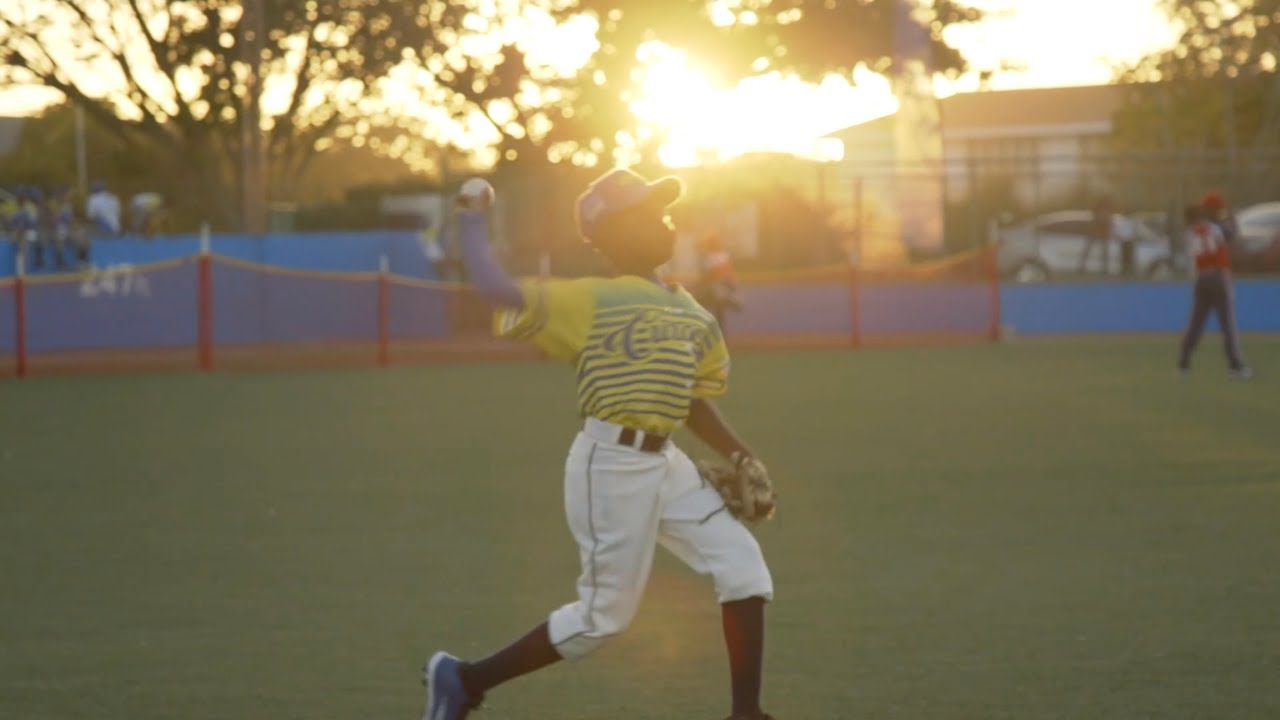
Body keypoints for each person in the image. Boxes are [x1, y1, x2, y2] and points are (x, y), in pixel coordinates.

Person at [422, 169, 777, 720]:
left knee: (744, 568)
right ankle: (465, 679)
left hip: (668, 465)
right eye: (645, 214)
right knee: (601, 619)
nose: (662, 222)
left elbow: (689, 400)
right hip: (610, 465)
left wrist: (741, 453)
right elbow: (494, 288)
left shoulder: (692, 312)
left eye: (661, 212)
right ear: (610, 234)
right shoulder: (587, 301)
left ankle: (746, 715)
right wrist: (471, 221)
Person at [1178, 204, 1251, 378]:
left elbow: (1191, 258)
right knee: (1227, 324)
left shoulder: (1188, 234)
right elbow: (1232, 238)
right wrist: (1231, 220)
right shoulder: (1213, 228)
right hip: (1218, 276)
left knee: (1196, 322)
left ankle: (1184, 363)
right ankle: (1235, 366)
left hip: (1201, 277)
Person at [696, 231, 745, 333]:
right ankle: (731, 300)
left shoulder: (718, 256)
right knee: (716, 311)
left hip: (720, 287)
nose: (709, 245)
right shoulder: (720, 255)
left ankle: (731, 300)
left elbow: (714, 275)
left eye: (710, 243)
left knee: (715, 308)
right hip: (719, 287)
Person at [1080, 195, 1114, 275]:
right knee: (1089, 250)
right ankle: (1082, 267)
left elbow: (1109, 223)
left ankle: (1105, 269)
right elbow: (1095, 220)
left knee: (1104, 253)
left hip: (1103, 234)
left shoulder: (1109, 210)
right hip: (1095, 233)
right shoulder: (1097, 209)